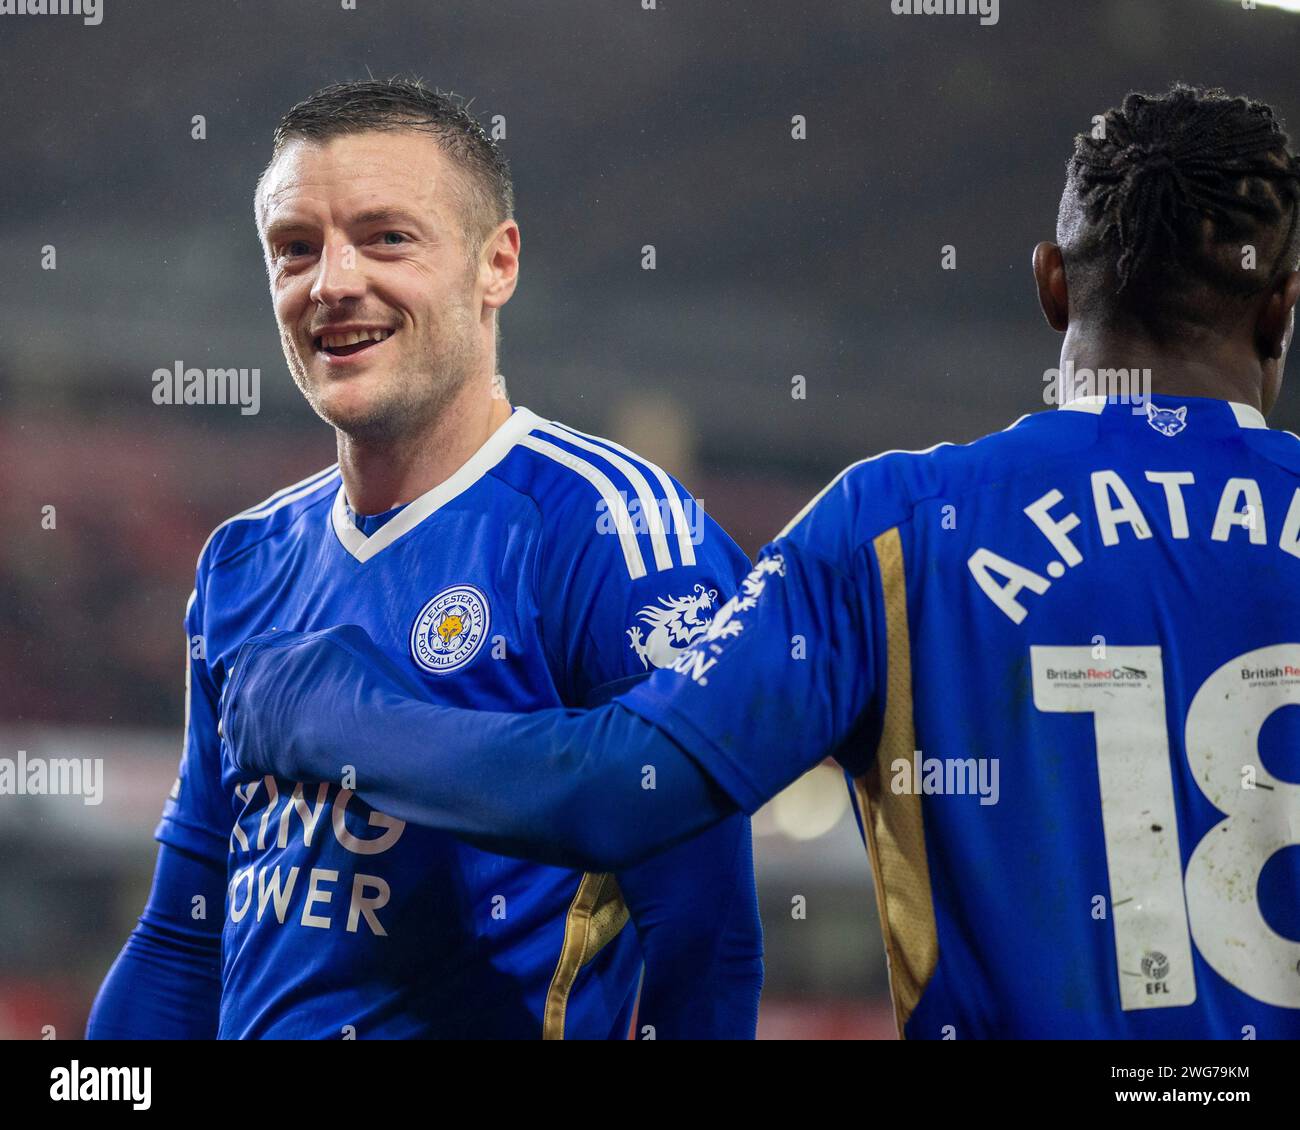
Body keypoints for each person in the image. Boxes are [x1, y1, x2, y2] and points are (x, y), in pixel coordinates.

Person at [224, 84, 1300, 1039]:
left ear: (1053, 285)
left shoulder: (904, 522)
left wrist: (331, 711)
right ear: (1281, 303)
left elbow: (617, 788)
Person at [87, 78, 763, 1040]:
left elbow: (705, 937)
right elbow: (184, 933)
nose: (332, 283)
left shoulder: (616, 532)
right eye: (295, 250)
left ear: (498, 264)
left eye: (386, 238)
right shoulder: (242, 561)